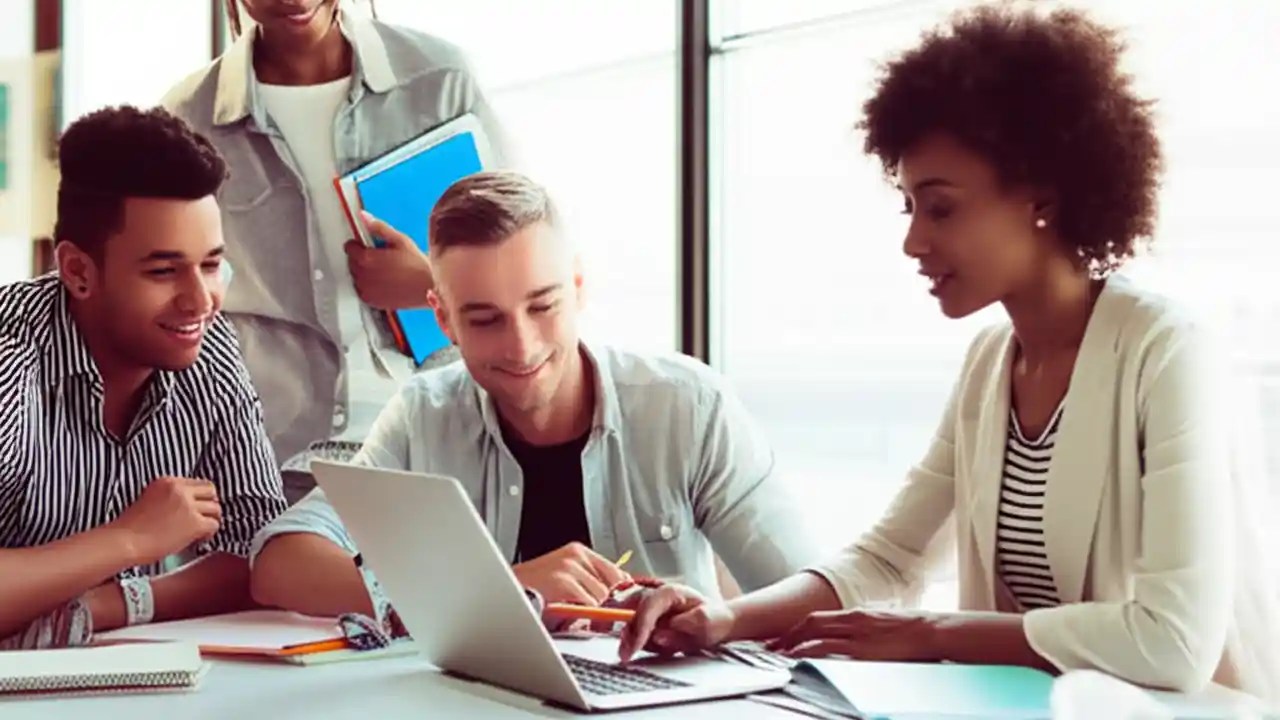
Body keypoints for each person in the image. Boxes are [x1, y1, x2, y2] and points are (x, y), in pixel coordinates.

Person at [616, 3, 1280, 703]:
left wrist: (933, 632)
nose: (913, 242)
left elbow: (1171, 641)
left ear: (1040, 197)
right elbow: (890, 555)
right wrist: (722, 620)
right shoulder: (992, 362)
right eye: (908, 207)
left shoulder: (1167, 351)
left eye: (941, 208)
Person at [247, 171, 820, 618]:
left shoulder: (689, 405)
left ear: (577, 288)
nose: (521, 347)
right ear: (443, 318)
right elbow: (280, 564)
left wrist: (714, 619)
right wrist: (500, 590)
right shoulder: (422, 417)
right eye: (485, 319)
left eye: (543, 306)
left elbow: (811, 593)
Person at [163, 0, 508, 501]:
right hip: (262, 457)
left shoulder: (440, 79)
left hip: (432, 445)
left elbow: (529, 264)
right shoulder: (188, 117)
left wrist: (433, 284)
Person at [0, 106, 287, 648]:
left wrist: (116, 603)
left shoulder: (210, 347)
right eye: (163, 271)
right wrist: (129, 540)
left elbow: (264, 556)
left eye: (210, 265)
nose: (200, 301)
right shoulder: (10, 360)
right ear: (79, 271)